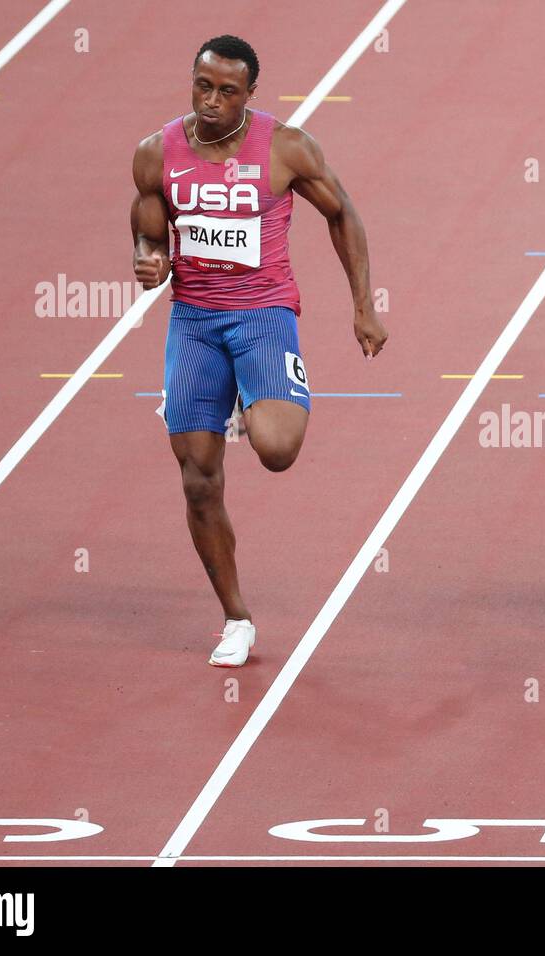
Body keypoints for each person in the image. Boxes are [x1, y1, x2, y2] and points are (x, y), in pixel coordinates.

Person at [130, 35, 387, 666]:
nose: (211, 101)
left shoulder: (286, 147)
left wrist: (363, 304)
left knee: (276, 450)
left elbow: (342, 213)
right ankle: (236, 618)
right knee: (197, 481)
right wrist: (147, 257)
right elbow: (146, 221)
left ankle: (255, 395)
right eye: (202, 86)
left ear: (250, 95)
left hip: (263, 314)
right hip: (193, 321)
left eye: (227, 91)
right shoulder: (154, 153)